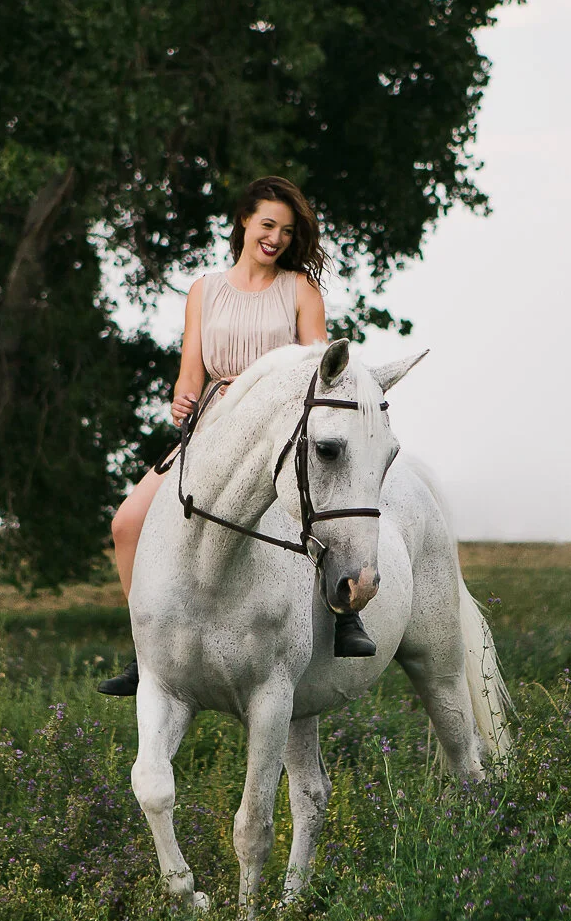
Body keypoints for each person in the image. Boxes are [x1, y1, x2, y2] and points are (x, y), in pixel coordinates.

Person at [97, 176, 376, 696]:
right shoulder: (204, 290)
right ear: (244, 221)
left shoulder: (300, 290)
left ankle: (344, 615)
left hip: (275, 434)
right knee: (126, 522)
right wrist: (181, 399)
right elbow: (190, 370)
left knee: (316, 514)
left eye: (287, 232)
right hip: (212, 426)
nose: (275, 238)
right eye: (267, 225)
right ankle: (146, 653)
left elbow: (321, 371)